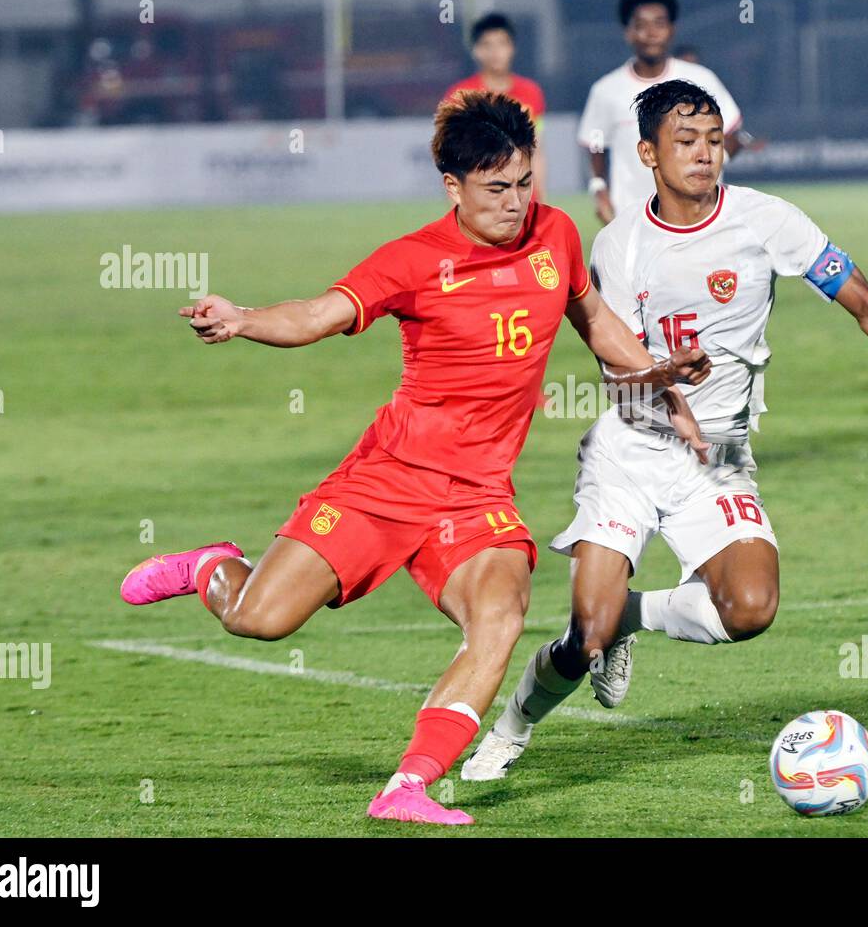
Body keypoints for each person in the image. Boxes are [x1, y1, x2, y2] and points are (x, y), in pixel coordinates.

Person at [118, 91, 710, 825]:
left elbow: (596, 325)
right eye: (496, 189)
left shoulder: (554, 236)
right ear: (453, 187)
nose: (515, 202)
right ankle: (213, 568)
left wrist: (659, 375)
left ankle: (409, 786)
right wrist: (242, 320)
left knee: (500, 618)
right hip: (386, 481)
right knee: (258, 621)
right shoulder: (415, 261)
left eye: (525, 182)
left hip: (478, 496)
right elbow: (315, 315)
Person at [462, 80, 868, 780]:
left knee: (751, 607)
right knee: (584, 637)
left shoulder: (769, 220)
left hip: (721, 456)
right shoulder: (619, 245)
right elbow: (616, 376)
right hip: (633, 453)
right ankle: (514, 724)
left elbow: (864, 301)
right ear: (648, 153)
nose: (704, 155)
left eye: (712, 141)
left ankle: (632, 618)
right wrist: (666, 373)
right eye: (684, 142)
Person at [577, 0, 752, 222]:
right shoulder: (606, 90)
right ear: (628, 32)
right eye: (641, 25)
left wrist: (709, 165)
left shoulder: (701, 79)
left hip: (699, 215)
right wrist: (599, 189)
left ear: (671, 29)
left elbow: (734, 133)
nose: (651, 33)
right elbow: (596, 141)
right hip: (633, 218)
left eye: (659, 24)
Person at [444, 12, 548, 198]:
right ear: (475, 50)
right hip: (480, 202)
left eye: (502, 43)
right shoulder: (460, 95)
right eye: (487, 45)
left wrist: (540, 199)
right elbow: (453, 160)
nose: (495, 52)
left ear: (512, 48)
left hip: (522, 200)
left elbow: (536, 150)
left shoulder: (531, 92)